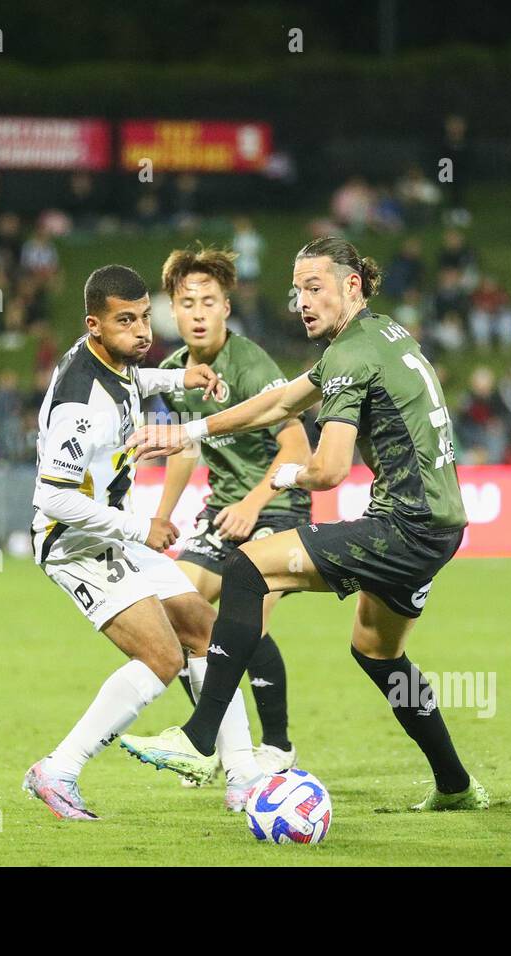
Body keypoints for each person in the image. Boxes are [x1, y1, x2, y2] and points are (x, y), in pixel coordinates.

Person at [120, 237, 487, 813]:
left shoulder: (349, 355)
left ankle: (198, 737)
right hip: (439, 526)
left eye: (315, 288)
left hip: (404, 526)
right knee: (376, 652)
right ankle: (455, 785)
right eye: (298, 291)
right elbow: (278, 404)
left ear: (353, 286)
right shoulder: (383, 334)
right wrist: (188, 433)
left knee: (246, 568)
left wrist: (286, 478)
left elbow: (330, 470)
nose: (303, 303)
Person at [22, 265, 266, 821]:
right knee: (160, 656)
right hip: (75, 542)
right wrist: (140, 528)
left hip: (115, 531)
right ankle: (58, 770)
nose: (142, 333)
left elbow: (133, 384)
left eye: (144, 319)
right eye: (125, 322)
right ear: (93, 325)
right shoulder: (80, 407)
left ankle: (244, 777)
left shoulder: (112, 360)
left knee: (204, 627)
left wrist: (179, 379)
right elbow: (52, 497)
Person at [154, 246, 312, 777]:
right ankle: (215, 741)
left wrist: (252, 502)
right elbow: (185, 450)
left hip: (278, 504)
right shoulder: (175, 372)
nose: (197, 313)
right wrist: (161, 517)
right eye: (186, 302)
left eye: (208, 302)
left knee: (242, 626)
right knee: (176, 611)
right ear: (171, 311)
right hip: (223, 510)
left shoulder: (249, 364)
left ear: (227, 308)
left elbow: (298, 448)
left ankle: (277, 745)